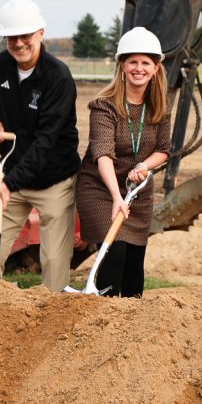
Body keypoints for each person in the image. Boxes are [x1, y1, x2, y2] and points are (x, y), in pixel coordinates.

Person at [0, 0, 81, 292]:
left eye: (25, 36)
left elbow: (45, 142)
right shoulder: (2, 64)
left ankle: (50, 318)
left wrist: (8, 184)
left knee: (55, 262)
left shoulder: (58, 77)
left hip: (54, 180)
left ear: (40, 34)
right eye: (12, 37)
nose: (19, 43)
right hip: (14, 177)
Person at [74, 27, 172, 297]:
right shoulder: (104, 105)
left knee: (133, 264)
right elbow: (103, 154)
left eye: (145, 63)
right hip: (101, 189)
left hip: (137, 190)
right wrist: (117, 197)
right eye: (133, 62)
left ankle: (128, 328)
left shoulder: (160, 107)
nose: (139, 68)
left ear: (155, 69)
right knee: (115, 250)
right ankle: (104, 314)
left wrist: (144, 167)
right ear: (122, 65)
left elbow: (164, 150)